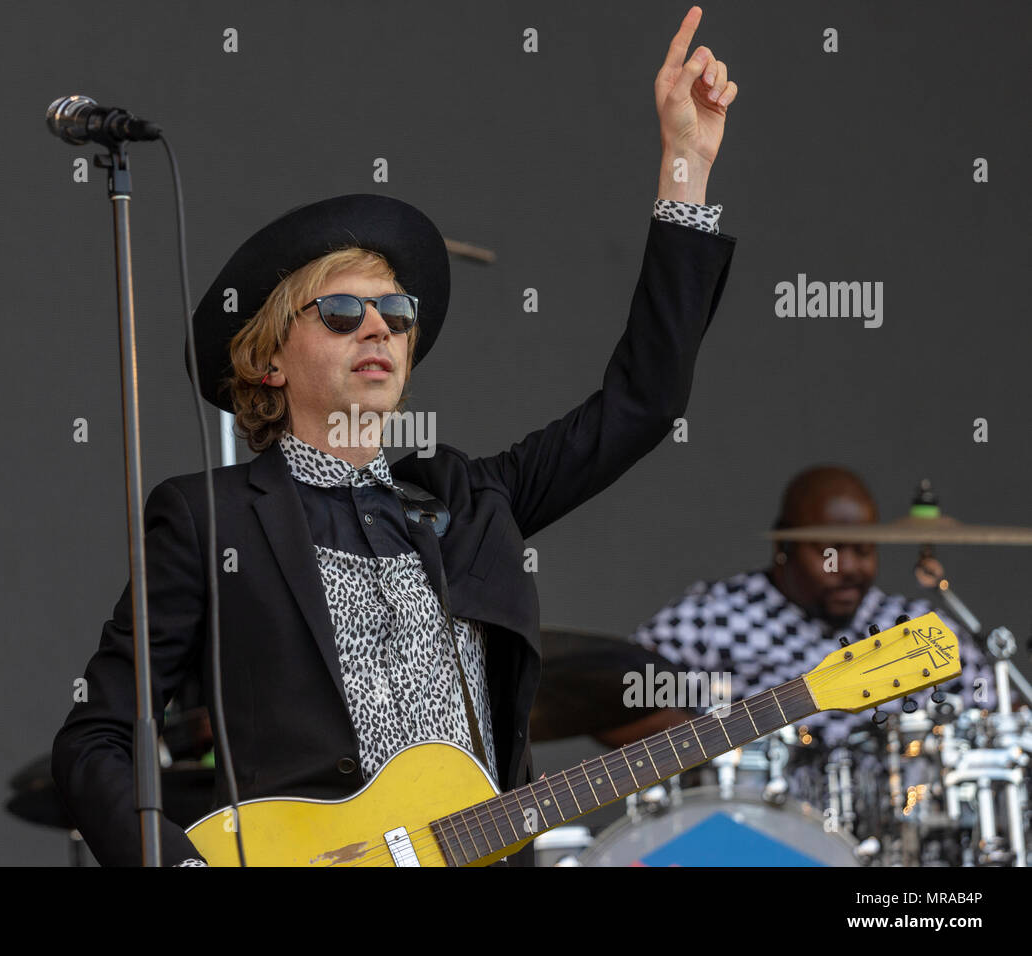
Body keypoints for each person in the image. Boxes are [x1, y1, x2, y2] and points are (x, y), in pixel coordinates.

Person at [51, 6, 740, 866]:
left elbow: (643, 404)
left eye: (397, 314)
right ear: (268, 358)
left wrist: (686, 166)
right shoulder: (208, 520)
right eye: (342, 312)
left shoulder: (469, 499)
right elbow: (93, 741)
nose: (378, 329)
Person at [630, 465, 997, 749]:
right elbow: (613, 695)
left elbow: (998, 721)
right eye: (830, 551)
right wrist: (709, 761)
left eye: (864, 549)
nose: (850, 567)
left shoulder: (916, 627)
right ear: (783, 546)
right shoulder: (714, 616)